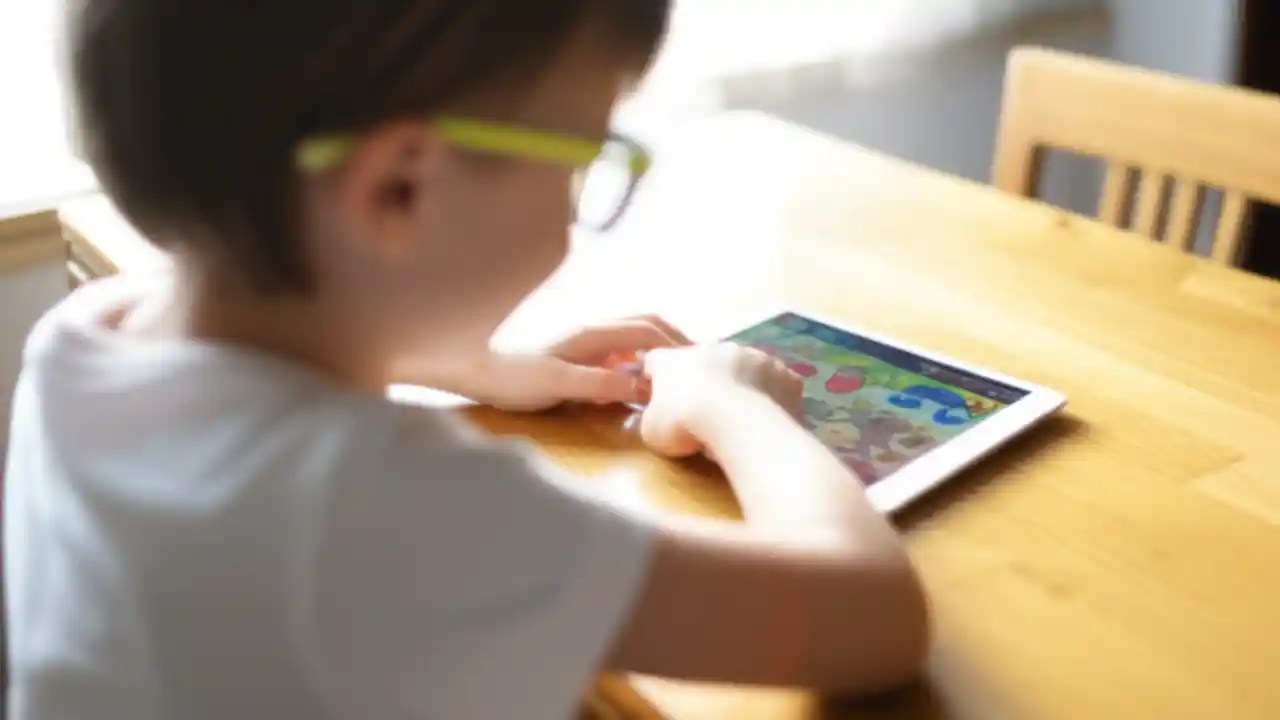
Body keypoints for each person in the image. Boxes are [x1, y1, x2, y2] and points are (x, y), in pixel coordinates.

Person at [4, 2, 929, 718]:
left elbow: (263, 373)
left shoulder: (85, 342)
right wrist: (737, 405)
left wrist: (464, 361)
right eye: (579, 158)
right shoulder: (387, 506)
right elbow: (873, 619)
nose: (574, 209)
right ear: (400, 187)